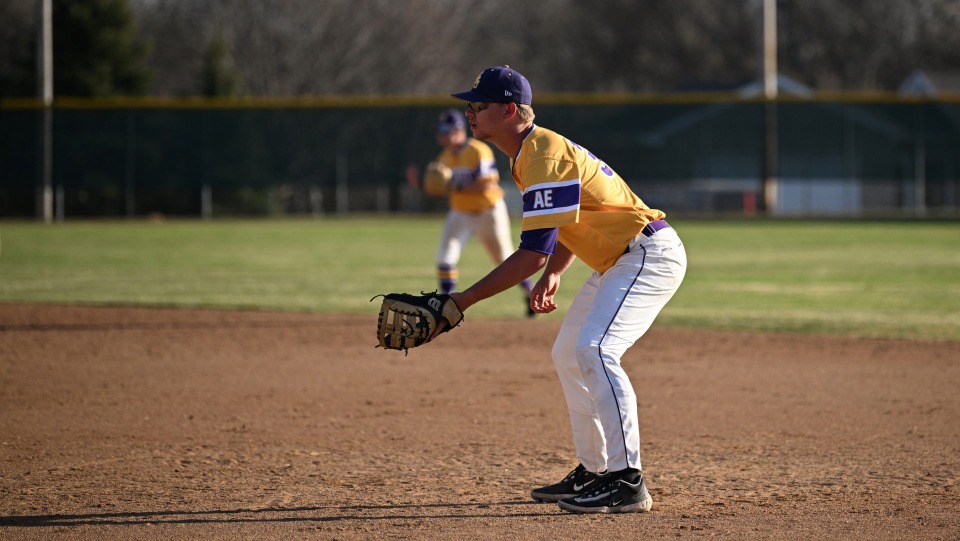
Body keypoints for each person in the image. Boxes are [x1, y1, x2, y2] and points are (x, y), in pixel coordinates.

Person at [440, 66, 687, 514]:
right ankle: (595, 470)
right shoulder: (529, 153)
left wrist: (462, 300)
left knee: (595, 349)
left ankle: (627, 480)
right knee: (568, 353)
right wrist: (555, 272)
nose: (470, 113)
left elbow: (531, 254)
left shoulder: (543, 156)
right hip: (617, 260)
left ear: (509, 110)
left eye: (478, 104)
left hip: (646, 255)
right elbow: (565, 226)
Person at [406, 109, 535, 317]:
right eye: (439, 130)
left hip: (488, 211)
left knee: (505, 259)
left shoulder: (478, 151)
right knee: (445, 258)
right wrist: (420, 185)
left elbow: (487, 185)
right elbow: (439, 188)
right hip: (461, 212)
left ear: (458, 130)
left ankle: (530, 294)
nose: (441, 134)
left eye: (445, 130)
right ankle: (444, 305)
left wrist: (454, 185)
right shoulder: (444, 158)